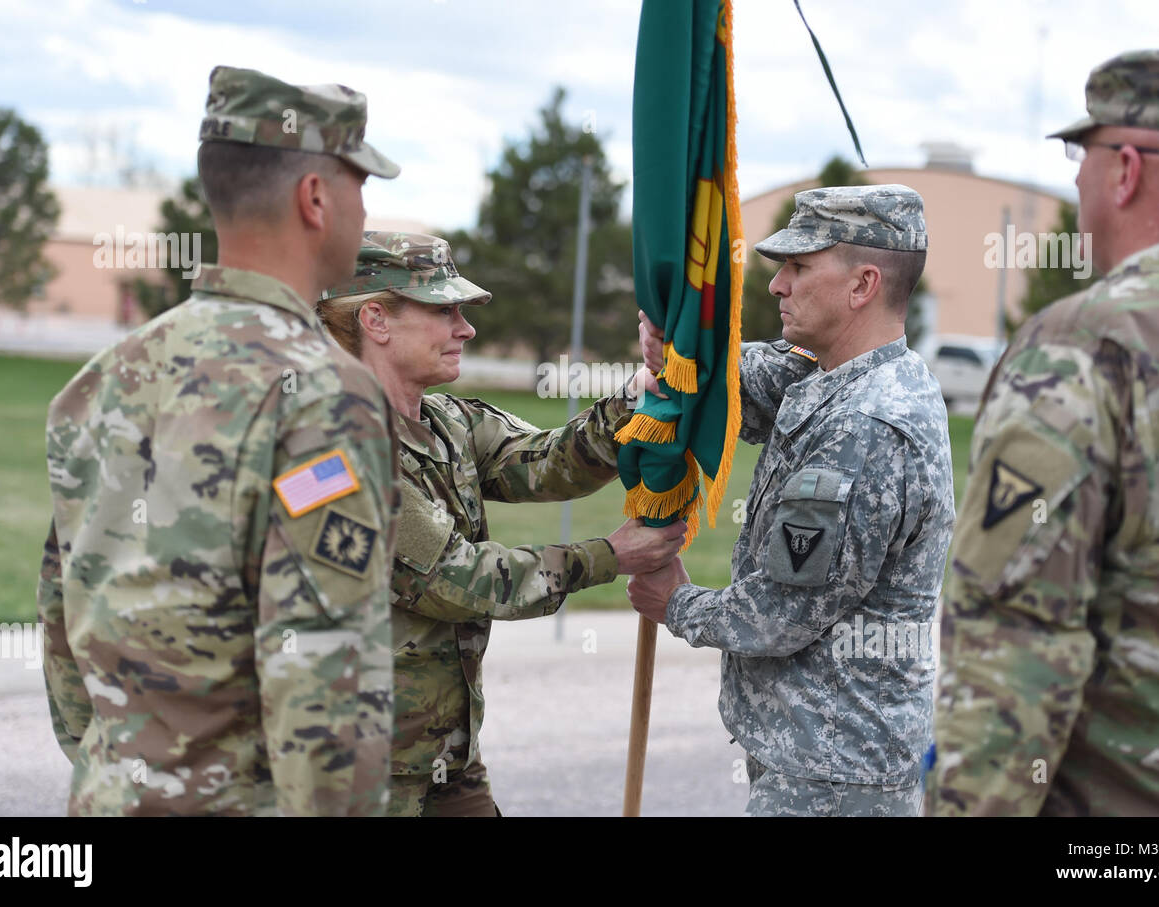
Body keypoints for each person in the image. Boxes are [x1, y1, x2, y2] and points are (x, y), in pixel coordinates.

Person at [37, 66, 402, 816]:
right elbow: (324, 686)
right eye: (361, 184)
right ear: (316, 198)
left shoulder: (99, 381)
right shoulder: (323, 394)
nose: (366, 211)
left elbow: (63, 634)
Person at [926, 49, 1159, 817]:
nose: (1075, 181)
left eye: (1081, 155)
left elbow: (1015, 648)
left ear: (1126, 168)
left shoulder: (1084, 345)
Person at [315, 230, 686, 816]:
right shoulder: (331, 448)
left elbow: (550, 464)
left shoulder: (445, 422)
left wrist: (636, 401)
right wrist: (609, 557)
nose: (466, 329)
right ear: (377, 320)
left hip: (444, 754)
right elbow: (459, 581)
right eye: (445, 311)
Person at [629, 185, 955, 816]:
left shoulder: (869, 423)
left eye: (800, 267)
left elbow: (780, 611)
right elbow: (743, 385)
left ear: (861, 286)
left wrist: (676, 603)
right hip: (821, 756)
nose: (777, 285)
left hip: (833, 774)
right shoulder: (846, 371)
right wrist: (678, 354)